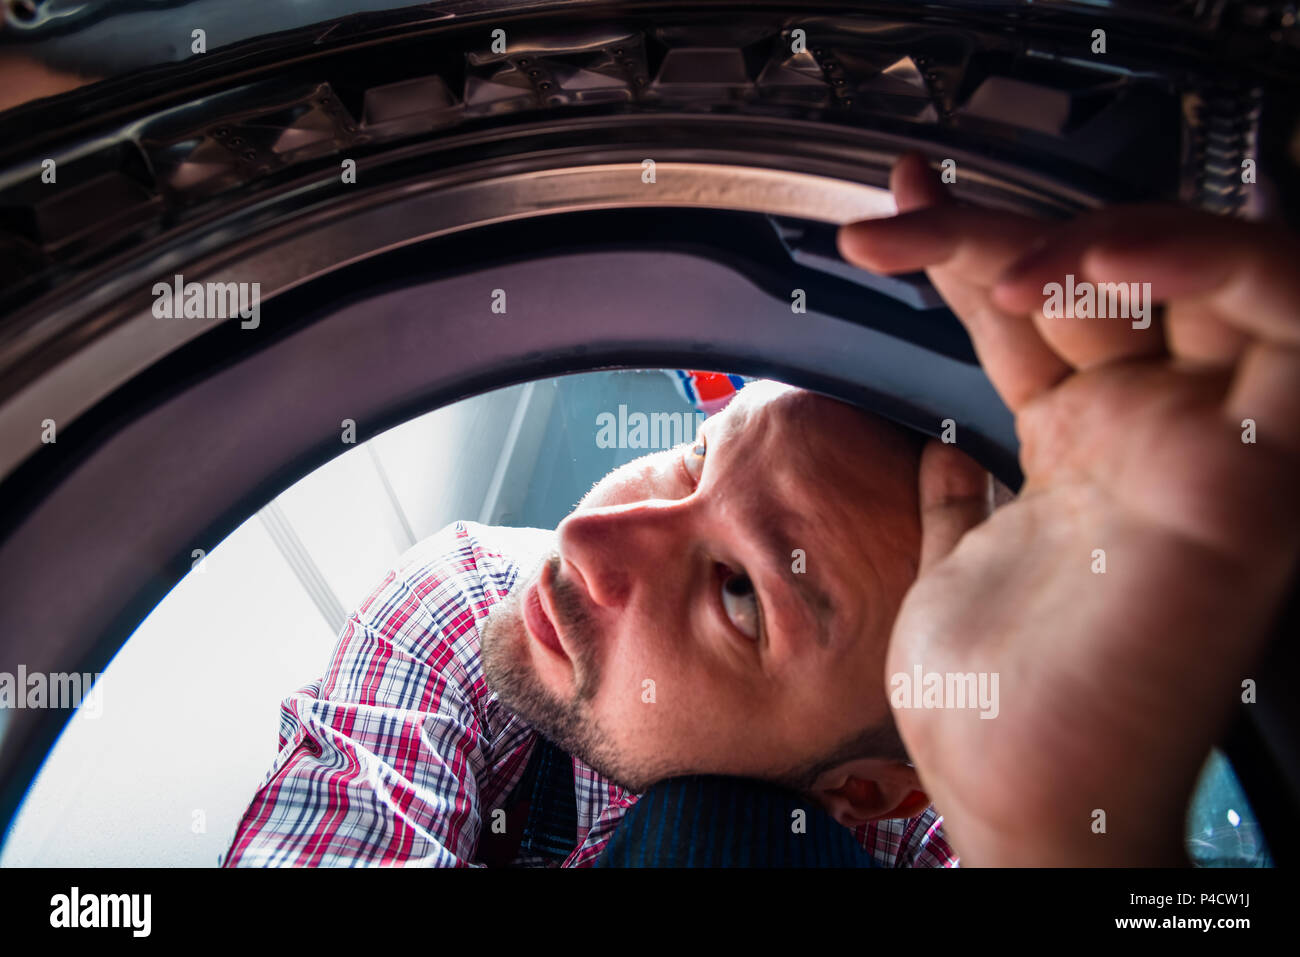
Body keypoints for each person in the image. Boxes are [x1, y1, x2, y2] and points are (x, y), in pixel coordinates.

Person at [222, 152, 1300, 866]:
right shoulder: (460, 599)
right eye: (688, 460)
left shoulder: (979, 807)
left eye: (739, 593)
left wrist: (1063, 839)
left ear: (873, 793)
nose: (583, 538)